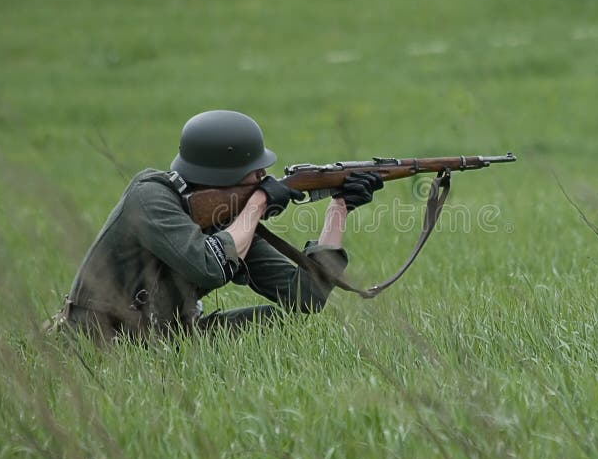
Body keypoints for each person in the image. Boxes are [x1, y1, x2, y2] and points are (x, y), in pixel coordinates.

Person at [49, 110, 383, 342]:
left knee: (283, 324)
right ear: (222, 176)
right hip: (98, 341)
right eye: (257, 175)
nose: (264, 180)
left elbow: (306, 297)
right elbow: (207, 267)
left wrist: (338, 209)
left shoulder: (225, 218)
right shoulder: (149, 196)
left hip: (171, 338)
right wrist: (257, 205)